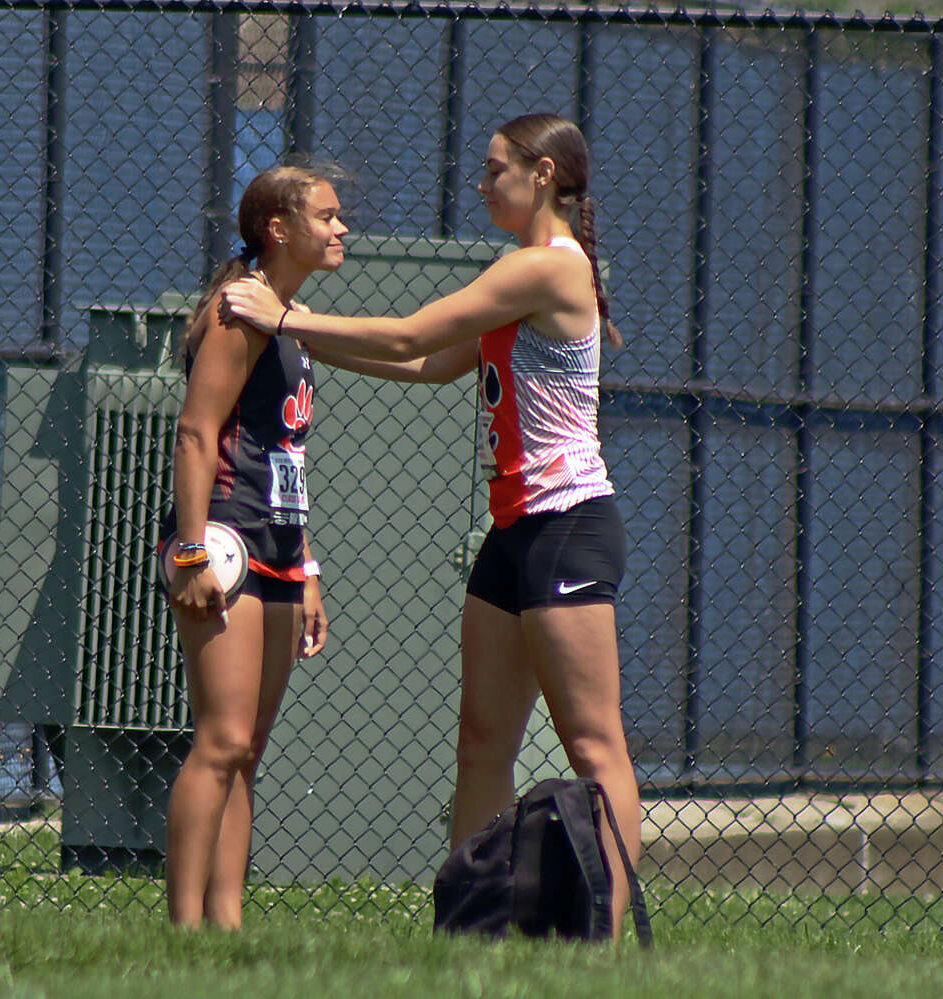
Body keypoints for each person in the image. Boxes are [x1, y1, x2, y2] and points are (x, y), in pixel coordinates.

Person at [221, 113, 641, 937]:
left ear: (544, 174)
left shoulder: (553, 270)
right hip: (512, 534)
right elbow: (425, 362)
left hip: (569, 527)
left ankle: (607, 936)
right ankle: (470, 927)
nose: (480, 185)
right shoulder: (513, 270)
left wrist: (284, 318)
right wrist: (295, 336)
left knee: (594, 748)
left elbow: (414, 329)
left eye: (494, 171)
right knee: (482, 741)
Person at [160, 164, 347, 929]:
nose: (342, 229)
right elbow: (197, 432)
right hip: (227, 540)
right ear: (280, 228)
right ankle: (182, 927)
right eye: (328, 216)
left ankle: (226, 926)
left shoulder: (288, 319)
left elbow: (288, 457)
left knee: (250, 749)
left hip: (278, 550)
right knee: (222, 738)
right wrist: (192, 552)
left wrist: (306, 570)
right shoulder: (239, 314)